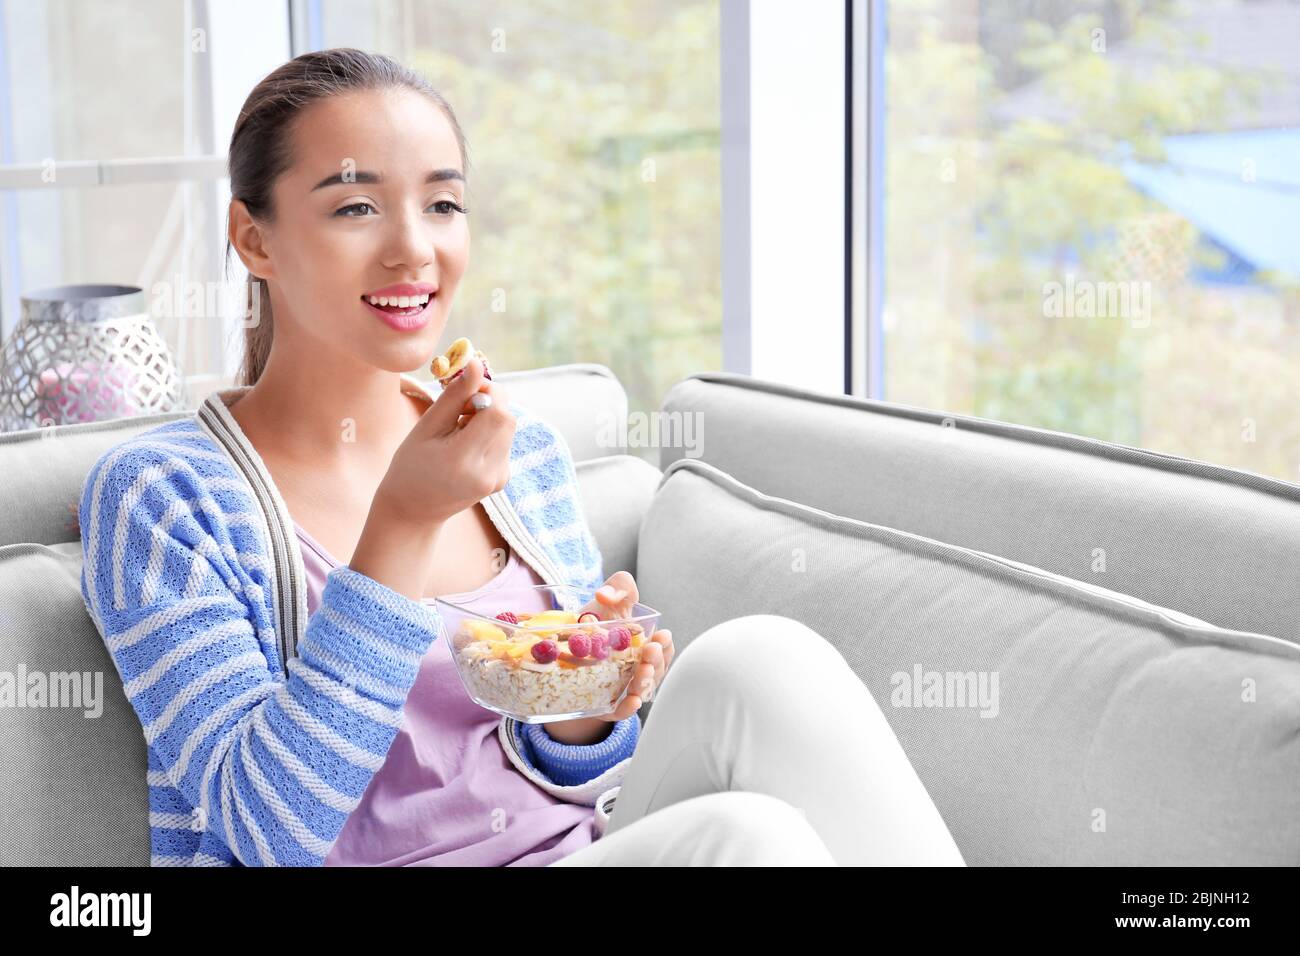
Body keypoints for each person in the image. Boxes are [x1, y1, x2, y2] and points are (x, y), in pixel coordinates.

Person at [79, 48, 963, 866]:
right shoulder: (164, 497)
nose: (413, 249)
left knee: (763, 660)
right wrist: (404, 524)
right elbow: (264, 828)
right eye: (355, 206)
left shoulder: (516, 452)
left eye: (442, 203)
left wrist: (584, 705)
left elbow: (583, 782)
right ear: (254, 237)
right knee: (749, 834)